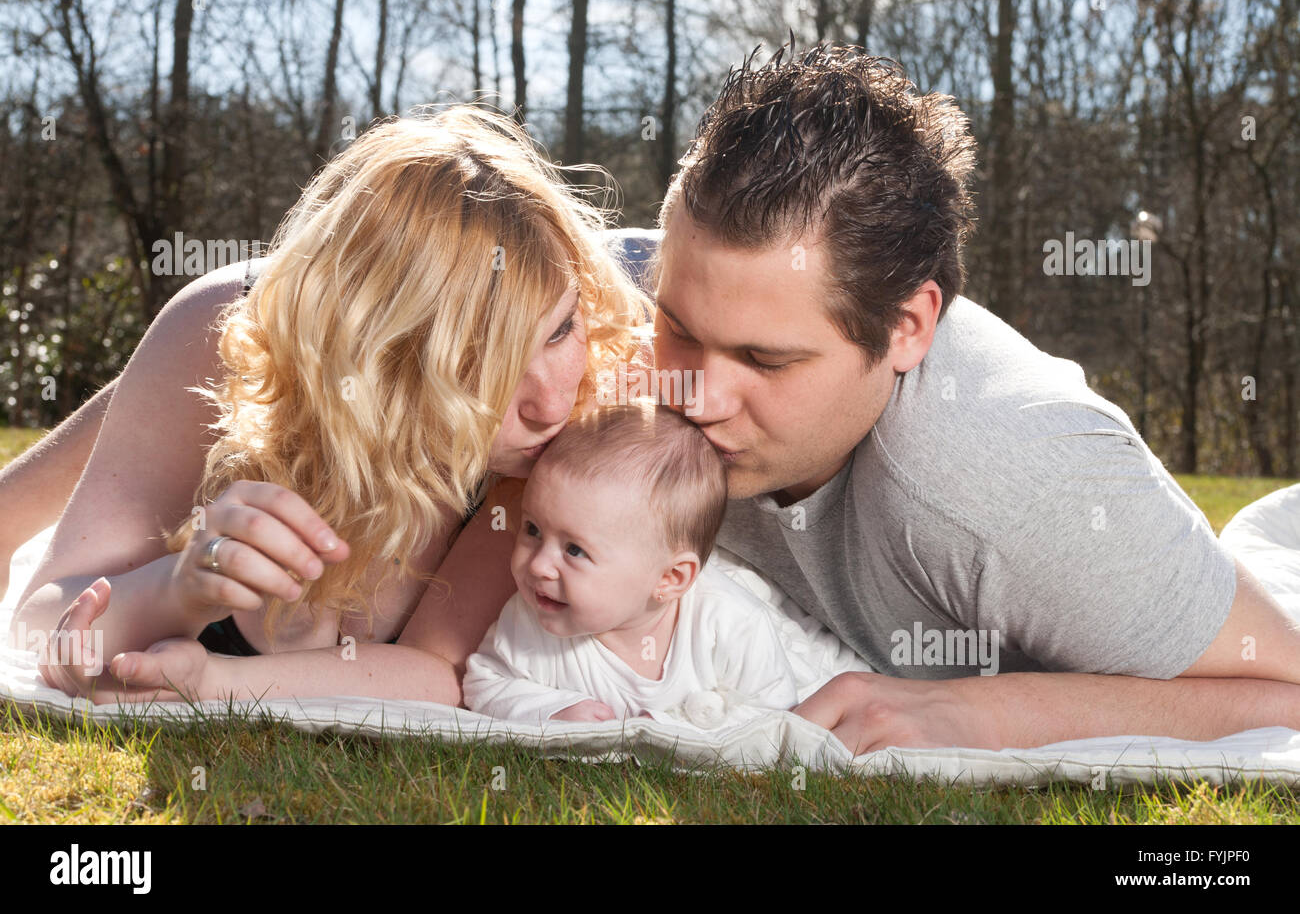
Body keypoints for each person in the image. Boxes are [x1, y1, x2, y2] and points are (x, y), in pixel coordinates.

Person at [645, 43, 1300, 753]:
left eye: (764, 358)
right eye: (676, 328)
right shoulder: (593, 328)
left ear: (907, 328)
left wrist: (986, 713)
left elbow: (1286, 693)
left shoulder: (1019, 478)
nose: (695, 395)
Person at [7, 104, 649, 705]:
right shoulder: (224, 332)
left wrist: (216, 678)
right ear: (381, 368)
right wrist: (177, 588)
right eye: (480, 368)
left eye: (561, 329)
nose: (551, 402)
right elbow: (36, 625)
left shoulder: (581, 420)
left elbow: (439, 673)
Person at [463, 403, 866, 729]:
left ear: (669, 579)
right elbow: (485, 682)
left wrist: (679, 727)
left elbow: (779, 715)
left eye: (574, 551)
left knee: (828, 684)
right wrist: (553, 710)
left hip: (795, 661)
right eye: (532, 529)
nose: (539, 566)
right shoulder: (533, 615)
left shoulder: (731, 626)